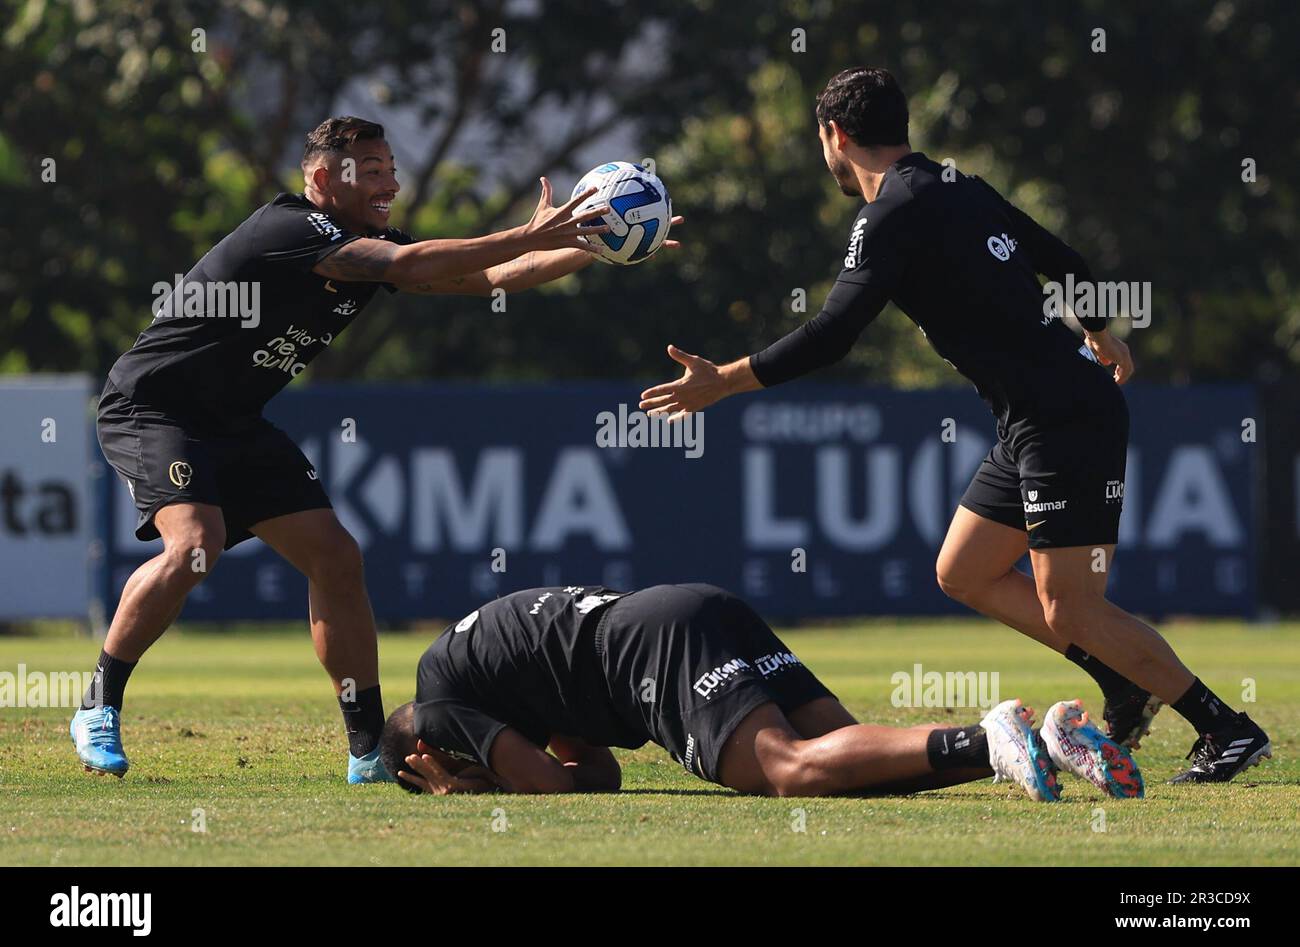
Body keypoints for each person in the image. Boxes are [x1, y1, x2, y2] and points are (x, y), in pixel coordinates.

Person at [637, 68, 1269, 783]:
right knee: (962, 570)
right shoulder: (956, 185)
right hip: (1036, 417)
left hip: (1062, 418)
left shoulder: (889, 214)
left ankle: (1226, 726)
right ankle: (1125, 684)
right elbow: (1063, 260)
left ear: (834, 136)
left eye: (822, 140)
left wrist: (725, 380)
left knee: (1070, 607)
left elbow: (833, 333)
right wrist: (1099, 329)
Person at [75, 116, 678, 783]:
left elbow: (488, 278)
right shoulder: (291, 230)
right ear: (323, 177)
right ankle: (99, 703)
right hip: (153, 406)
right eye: (374, 169)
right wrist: (528, 229)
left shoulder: (368, 240)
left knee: (335, 557)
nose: (390, 181)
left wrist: (592, 245)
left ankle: (366, 749)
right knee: (195, 543)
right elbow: (409, 264)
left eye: (392, 167)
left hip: (233, 420)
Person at [380, 582, 1143, 800]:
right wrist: (521, 767)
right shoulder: (480, 667)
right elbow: (597, 772)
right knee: (852, 772)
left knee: (786, 770)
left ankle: (990, 736)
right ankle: (1029, 744)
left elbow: (552, 782)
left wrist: (475, 789)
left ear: (422, 752)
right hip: (689, 607)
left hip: (650, 648)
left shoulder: (440, 701)